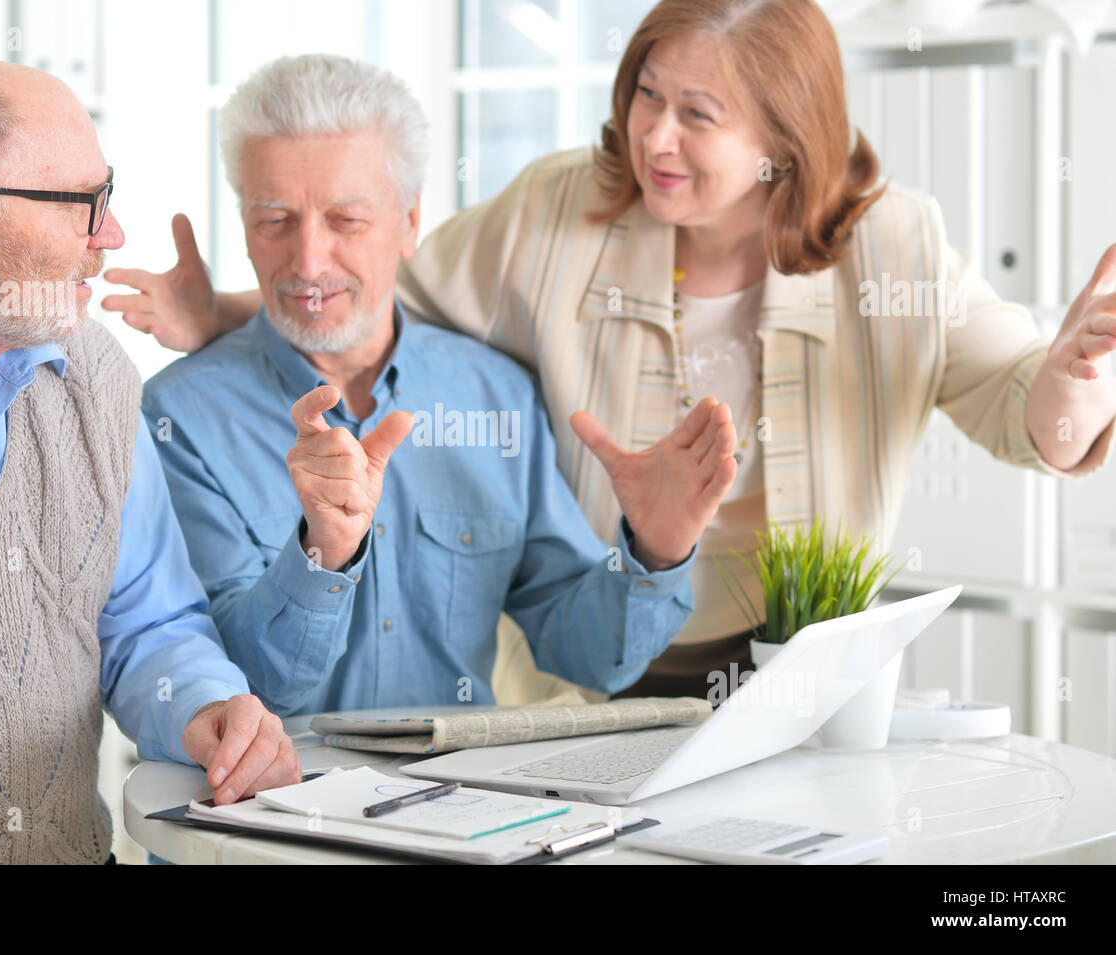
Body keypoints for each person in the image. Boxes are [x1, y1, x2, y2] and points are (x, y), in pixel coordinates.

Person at [105, 0, 1116, 703]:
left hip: (797, 667)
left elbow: (1023, 417)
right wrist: (222, 316)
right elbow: (363, 291)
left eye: (697, 116)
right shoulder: (556, 212)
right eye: (645, 95)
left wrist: (1068, 375)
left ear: (783, 136)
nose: (654, 139)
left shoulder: (892, 244)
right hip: (592, 675)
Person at [140, 54, 737, 716]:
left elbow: (588, 656)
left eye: (346, 220)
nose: (308, 262)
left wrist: (654, 552)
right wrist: (323, 555)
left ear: (411, 222)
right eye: (274, 220)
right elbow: (234, 687)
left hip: (465, 804)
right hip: (272, 809)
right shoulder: (179, 419)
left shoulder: (495, 395)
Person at [0, 59, 299, 865]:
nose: (109, 235)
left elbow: (149, 621)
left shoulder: (97, 377)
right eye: (84, 204)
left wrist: (208, 708)